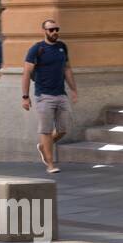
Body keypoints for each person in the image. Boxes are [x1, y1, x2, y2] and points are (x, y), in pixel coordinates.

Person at [21, 19, 78, 174]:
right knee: (46, 131)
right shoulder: (37, 49)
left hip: (61, 94)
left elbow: (67, 69)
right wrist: (25, 97)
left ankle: (43, 146)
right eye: (51, 29)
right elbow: (26, 73)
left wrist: (73, 90)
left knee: (63, 129)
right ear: (44, 31)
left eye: (56, 29)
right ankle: (50, 164)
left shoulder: (62, 47)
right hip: (43, 95)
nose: (54, 32)